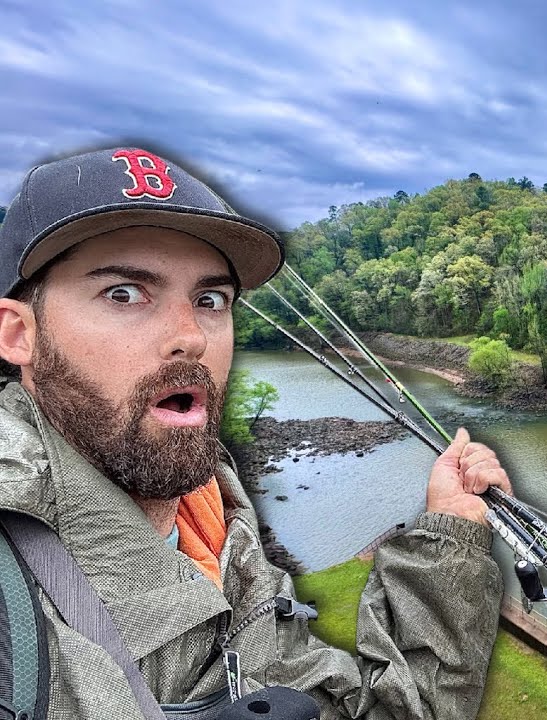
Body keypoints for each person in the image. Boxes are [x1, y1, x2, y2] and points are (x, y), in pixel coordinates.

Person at [0, 146, 512, 719]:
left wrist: (447, 535)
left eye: (211, 299)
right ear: (19, 333)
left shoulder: (222, 530)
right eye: (124, 293)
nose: (191, 336)